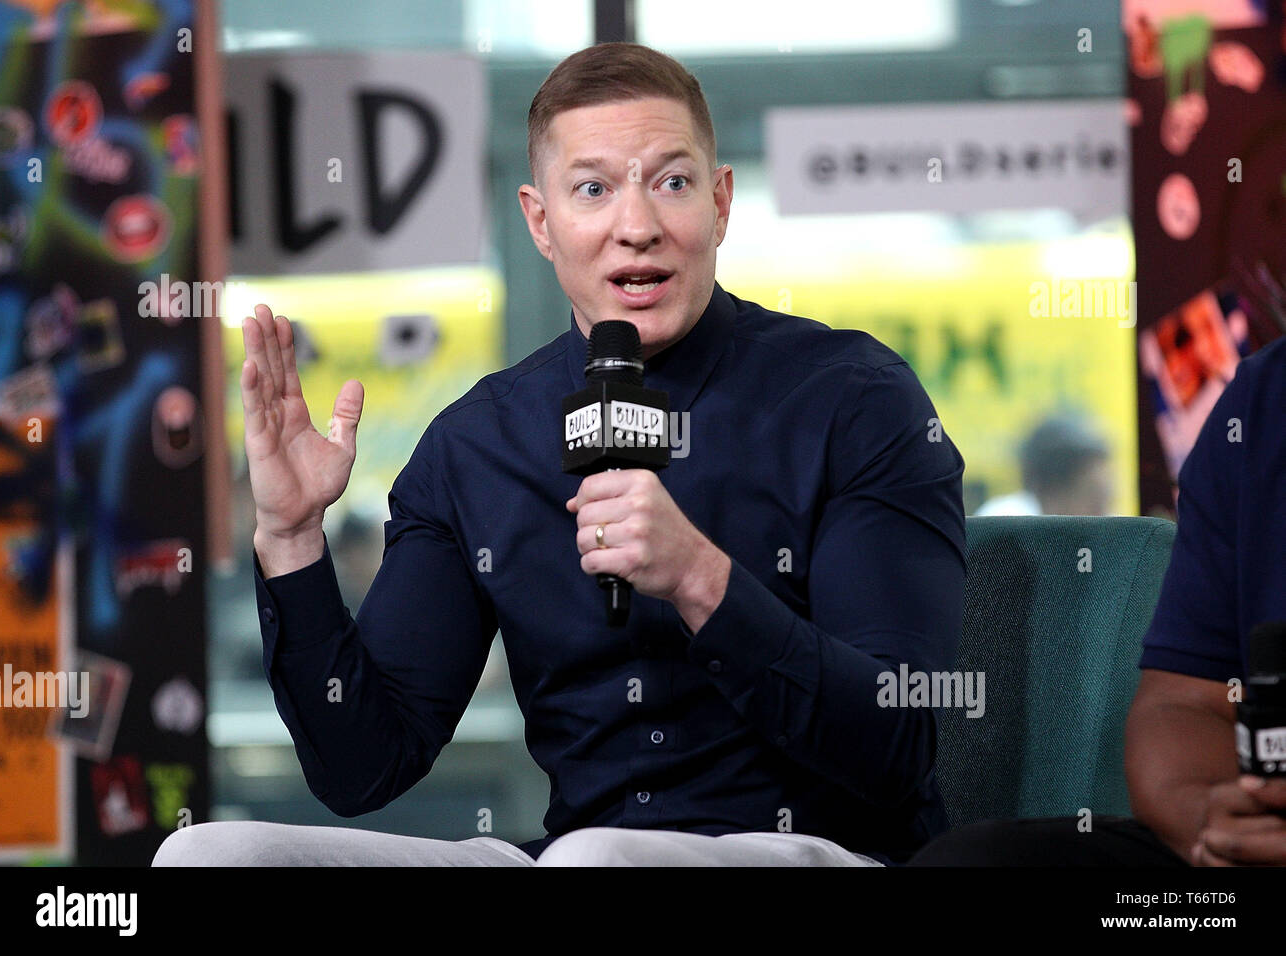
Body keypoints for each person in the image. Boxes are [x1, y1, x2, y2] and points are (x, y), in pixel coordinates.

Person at [153, 42, 966, 867]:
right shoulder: (477, 444)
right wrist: (291, 541)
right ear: (540, 221)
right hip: (572, 854)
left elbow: (898, 744)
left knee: (593, 862)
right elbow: (365, 768)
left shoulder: (852, 397)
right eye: (593, 189)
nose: (637, 227)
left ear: (721, 204)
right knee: (209, 857)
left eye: (673, 183)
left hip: (825, 851)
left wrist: (701, 580)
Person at [910, 334, 1286, 866]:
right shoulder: (1263, 400)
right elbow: (1181, 704)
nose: (1103, 493)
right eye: (1094, 478)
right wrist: (1214, 825)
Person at [976, 413, 1113, 517]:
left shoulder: (1109, 534)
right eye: (1092, 496)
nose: (1103, 513)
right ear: (1051, 493)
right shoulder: (1005, 522)